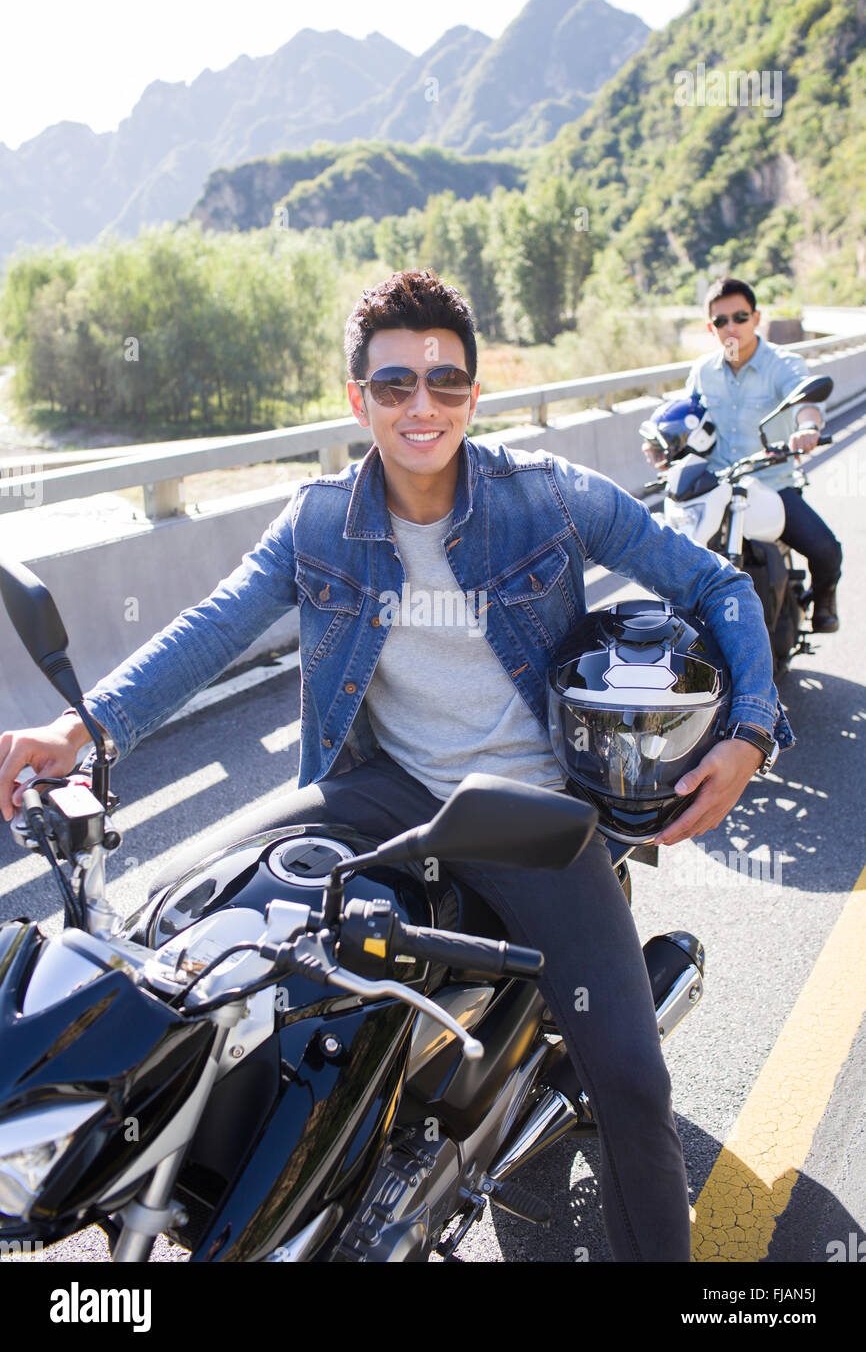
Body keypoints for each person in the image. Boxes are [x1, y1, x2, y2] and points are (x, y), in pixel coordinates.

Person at [0, 269, 792, 1262]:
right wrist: (75, 735)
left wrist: (748, 732)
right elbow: (206, 635)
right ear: (355, 399)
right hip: (383, 785)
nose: (421, 406)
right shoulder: (319, 521)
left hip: (531, 813)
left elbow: (716, 585)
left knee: (631, 1081)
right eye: (393, 385)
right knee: (177, 916)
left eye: (445, 382)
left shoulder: (545, 495)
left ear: (472, 393)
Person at [642, 276, 842, 632]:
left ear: (756, 317)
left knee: (827, 550)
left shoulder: (782, 363)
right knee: (671, 558)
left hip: (771, 483)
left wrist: (807, 428)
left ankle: (823, 597)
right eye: (721, 321)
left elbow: (805, 401)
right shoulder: (703, 370)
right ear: (710, 326)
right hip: (715, 486)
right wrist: (660, 445)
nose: (731, 327)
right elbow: (685, 414)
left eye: (740, 317)